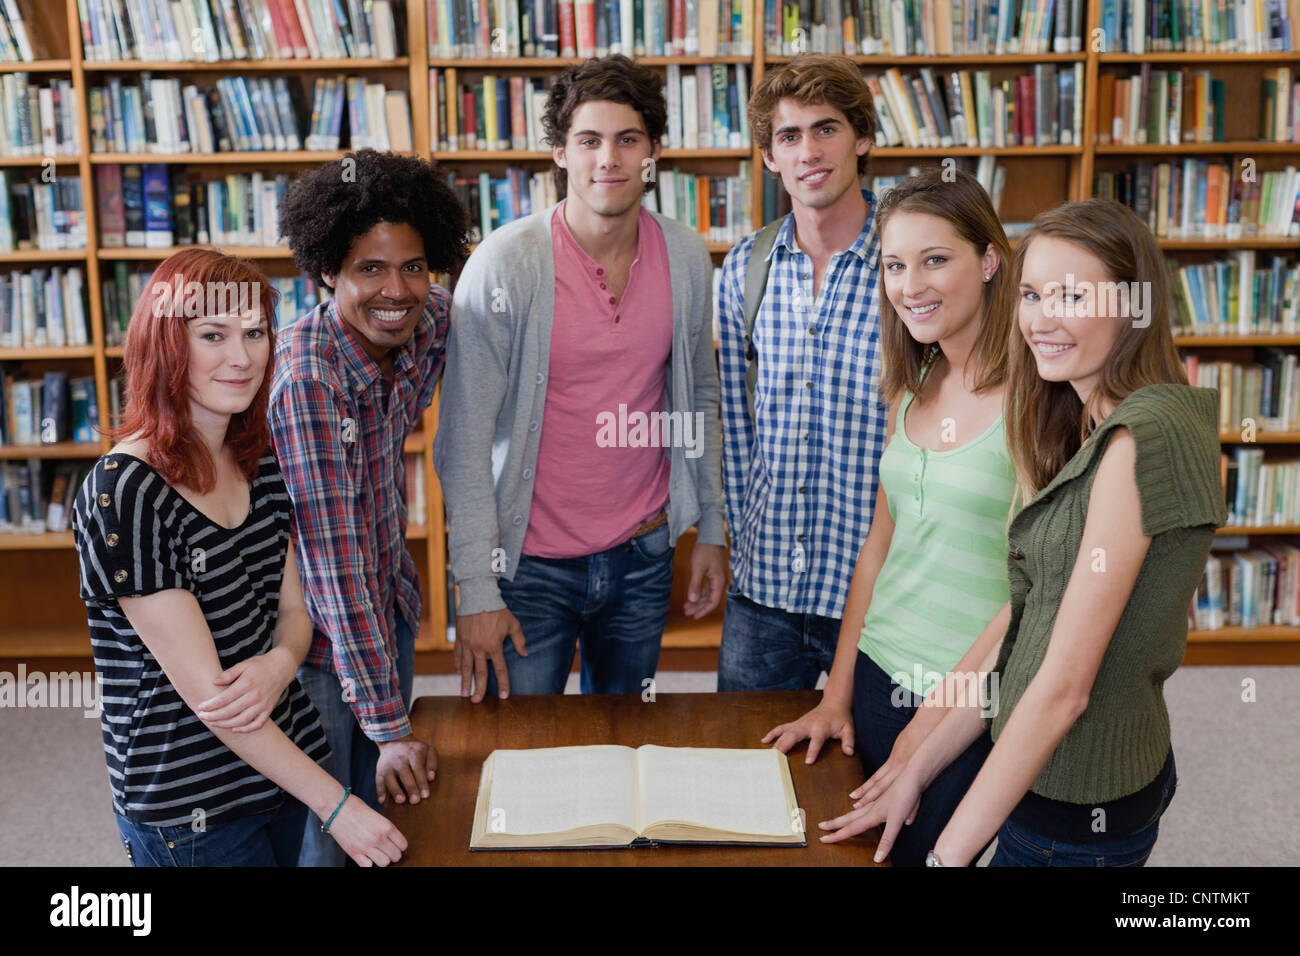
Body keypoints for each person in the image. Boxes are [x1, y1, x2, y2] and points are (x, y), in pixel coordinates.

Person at [820, 199, 1227, 867]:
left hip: (1073, 807)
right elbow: (1026, 624)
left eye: (1071, 294)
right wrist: (915, 768)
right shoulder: (1109, 419)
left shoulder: (1134, 440)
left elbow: (1060, 690)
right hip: (1077, 780)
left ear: (1133, 303)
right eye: (1034, 294)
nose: (1041, 319)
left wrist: (946, 856)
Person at [71, 248, 407, 866]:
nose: (242, 357)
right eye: (213, 335)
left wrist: (281, 663)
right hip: (191, 803)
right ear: (167, 344)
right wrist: (339, 808)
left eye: (255, 333)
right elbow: (213, 700)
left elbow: (294, 610)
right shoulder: (124, 493)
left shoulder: (258, 458)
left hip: (276, 774)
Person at [434, 54, 727, 700]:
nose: (609, 160)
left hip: (644, 558)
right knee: (523, 758)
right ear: (560, 152)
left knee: (624, 754)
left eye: (628, 140)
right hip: (530, 566)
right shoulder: (507, 264)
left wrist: (711, 525)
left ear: (653, 152)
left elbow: (699, 398)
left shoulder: (684, 256)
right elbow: (462, 440)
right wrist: (476, 588)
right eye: (589, 141)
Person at [762, 169, 1017, 866]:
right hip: (877, 675)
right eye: (895, 265)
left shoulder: (1038, 401)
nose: (911, 285)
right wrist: (835, 694)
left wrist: (926, 734)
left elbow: (1032, 599)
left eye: (936, 259)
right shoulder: (913, 381)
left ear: (989, 260)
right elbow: (879, 548)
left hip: (967, 700)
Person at [272, 149, 471, 866]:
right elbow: (333, 566)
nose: (398, 290)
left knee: (383, 821)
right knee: (329, 831)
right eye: (370, 269)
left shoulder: (425, 326)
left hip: (384, 605)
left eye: (414, 266)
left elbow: (460, 310)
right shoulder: (308, 380)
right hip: (316, 640)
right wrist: (390, 725)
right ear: (325, 270)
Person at [716, 54, 886, 691]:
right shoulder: (744, 266)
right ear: (769, 157)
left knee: (881, 780)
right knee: (740, 773)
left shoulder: (907, 263)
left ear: (861, 137)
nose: (809, 151)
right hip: (765, 592)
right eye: (788, 136)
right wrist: (741, 539)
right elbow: (735, 423)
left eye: (826, 129)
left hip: (880, 591)